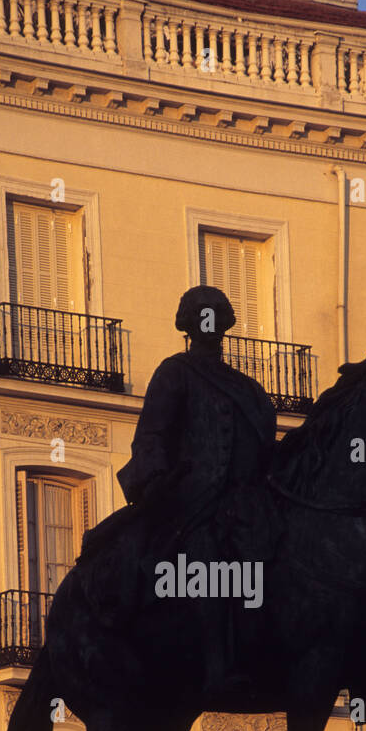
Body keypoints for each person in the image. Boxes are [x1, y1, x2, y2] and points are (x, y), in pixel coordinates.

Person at [117, 284, 277, 695]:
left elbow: (266, 453)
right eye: (201, 315)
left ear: (223, 324)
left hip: (247, 504)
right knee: (205, 558)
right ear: (189, 326)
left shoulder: (250, 390)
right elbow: (151, 435)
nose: (209, 323)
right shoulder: (175, 373)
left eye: (214, 314)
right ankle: (216, 666)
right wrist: (155, 479)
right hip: (194, 500)